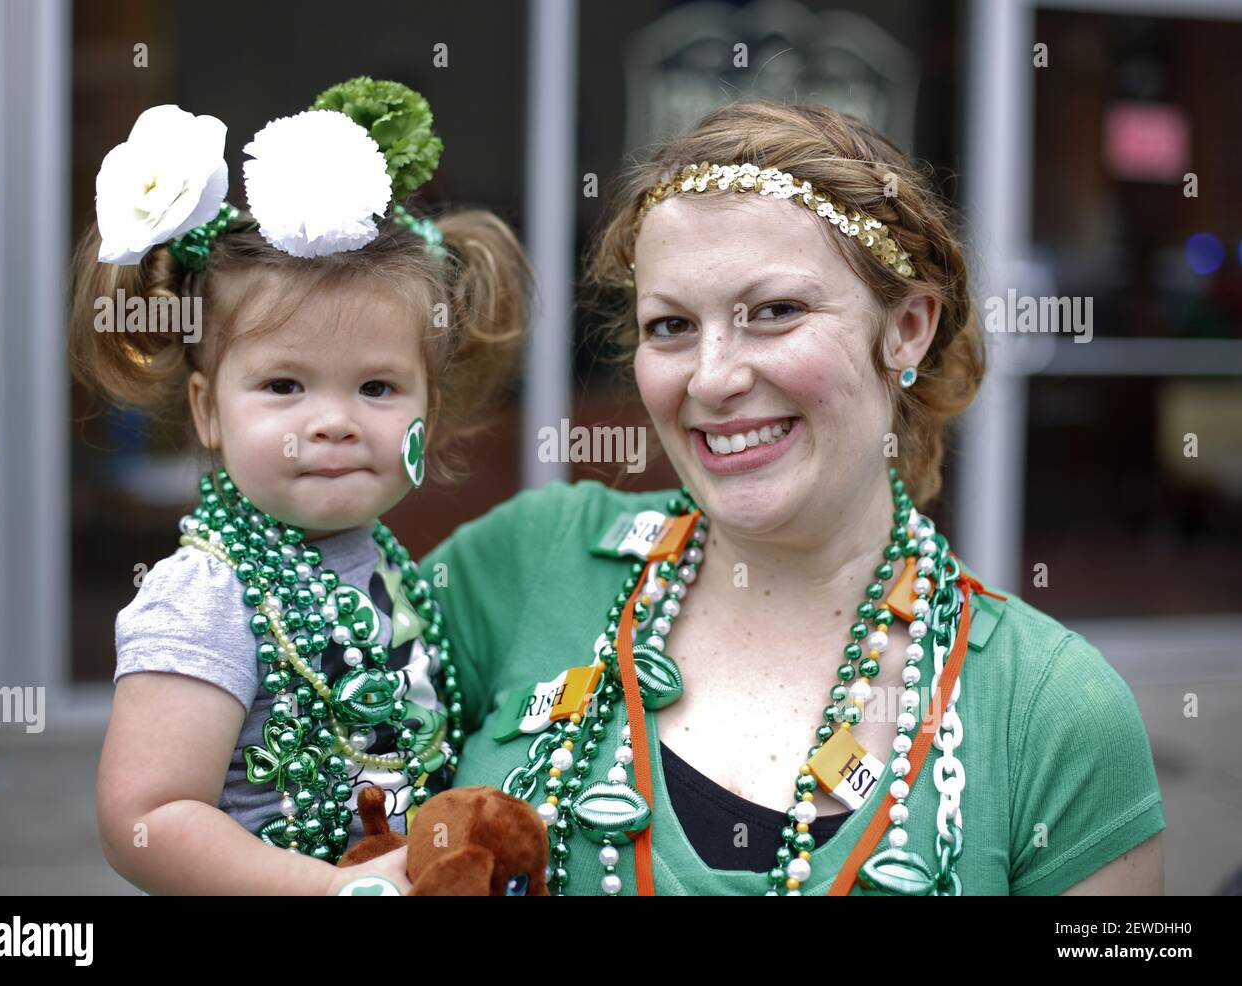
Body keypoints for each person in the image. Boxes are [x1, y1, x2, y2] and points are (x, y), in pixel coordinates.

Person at [423, 100, 1166, 895]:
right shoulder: (530, 562)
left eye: (775, 312)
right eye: (671, 326)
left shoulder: (1053, 710)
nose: (713, 378)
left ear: (907, 328)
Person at [82, 79, 530, 894]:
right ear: (206, 411)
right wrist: (329, 890)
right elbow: (143, 818)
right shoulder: (205, 596)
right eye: (285, 386)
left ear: (432, 406)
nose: (333, 422)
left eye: (378, 389)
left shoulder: (392, 569)